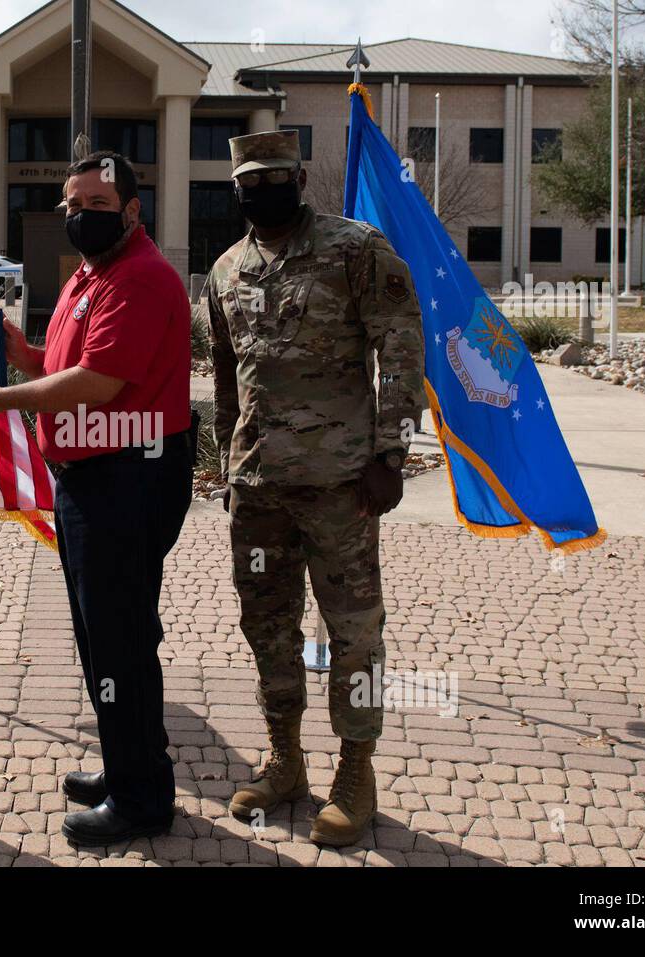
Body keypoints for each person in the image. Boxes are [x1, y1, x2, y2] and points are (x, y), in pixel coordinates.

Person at [0, 150, 192, 846]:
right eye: (70, 203)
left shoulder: (142, 277)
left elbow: (98, 384)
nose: (78, 215)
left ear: (130, 211)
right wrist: (19, 353)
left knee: (119, 636)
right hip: (91, 475)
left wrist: (2, 397)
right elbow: (61, 367)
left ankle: (143, 799)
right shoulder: (89, 276)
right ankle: (129, 763)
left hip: (127, 473)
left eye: (95, 203)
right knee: (105, 634)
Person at [206, 129, 425, 846]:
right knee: (267, 625)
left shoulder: (354, 248)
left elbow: (400, 341)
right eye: (248, 183)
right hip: (259, 487)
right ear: (235, 190)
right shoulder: (226, 269)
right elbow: (226, 375)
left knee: (355, 632)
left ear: (300, 178)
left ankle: (355, 770)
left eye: (274, 179)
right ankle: (285, 758)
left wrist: (390, 450)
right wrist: (227, 468)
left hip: (341, 485)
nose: (261, 191)